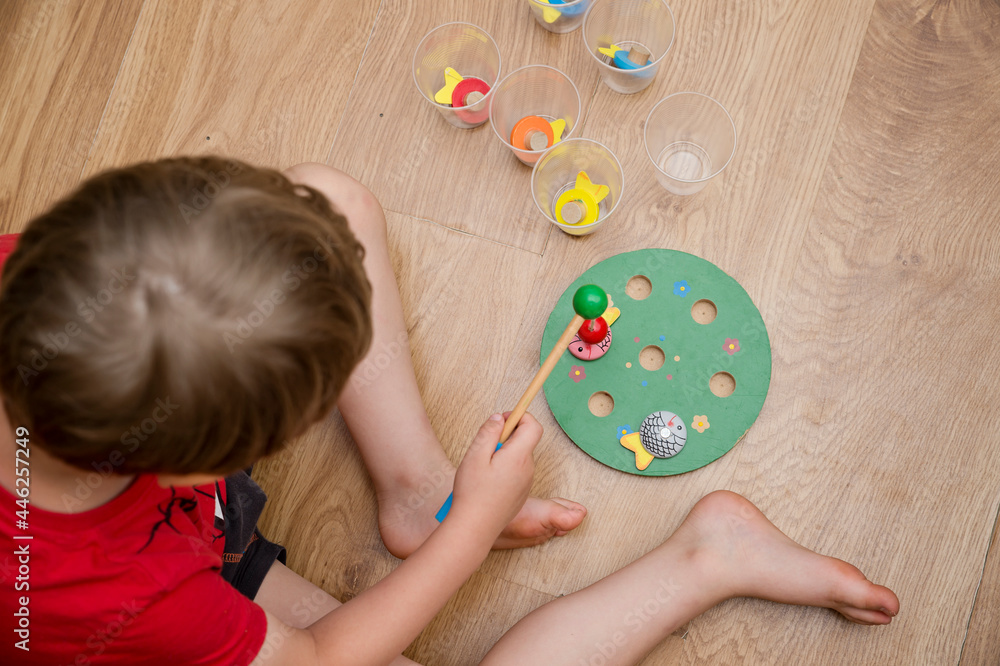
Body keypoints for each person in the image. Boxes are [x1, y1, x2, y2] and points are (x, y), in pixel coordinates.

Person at [0, 158, 898, 665]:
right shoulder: (105, 599)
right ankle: (709, 557)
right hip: (173, 591)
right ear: (208, 465)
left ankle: (412, 485)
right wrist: (472, 525)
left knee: (338, 199)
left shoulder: (31, 284)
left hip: (148, 515)